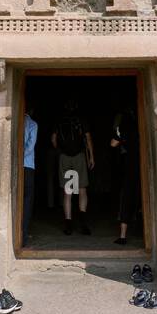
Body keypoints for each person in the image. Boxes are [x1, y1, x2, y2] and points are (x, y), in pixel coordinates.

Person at [52, 99, 94, 236]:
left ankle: (68, 224)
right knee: (82, 189)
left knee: (68, 192)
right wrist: (91, 157)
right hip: (79, 157)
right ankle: (83, 223)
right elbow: (88, 139)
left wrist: (60, 152)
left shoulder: (59, 119)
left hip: (65, 157)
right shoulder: (82, 119)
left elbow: (53, 139)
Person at [109, 105, 139, 245]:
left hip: (128, 165)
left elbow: (113, 144)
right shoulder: (140, 124)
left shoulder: (123, 127)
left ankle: (123, 236)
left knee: (126, 198)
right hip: (143, 165)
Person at [21, 106, 38, 247]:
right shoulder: (32, 124)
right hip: (27, 166)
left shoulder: (17, 121)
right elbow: (30, 147)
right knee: (27, 200)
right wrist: (21, 158)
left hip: (15, 166)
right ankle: (23, 235)